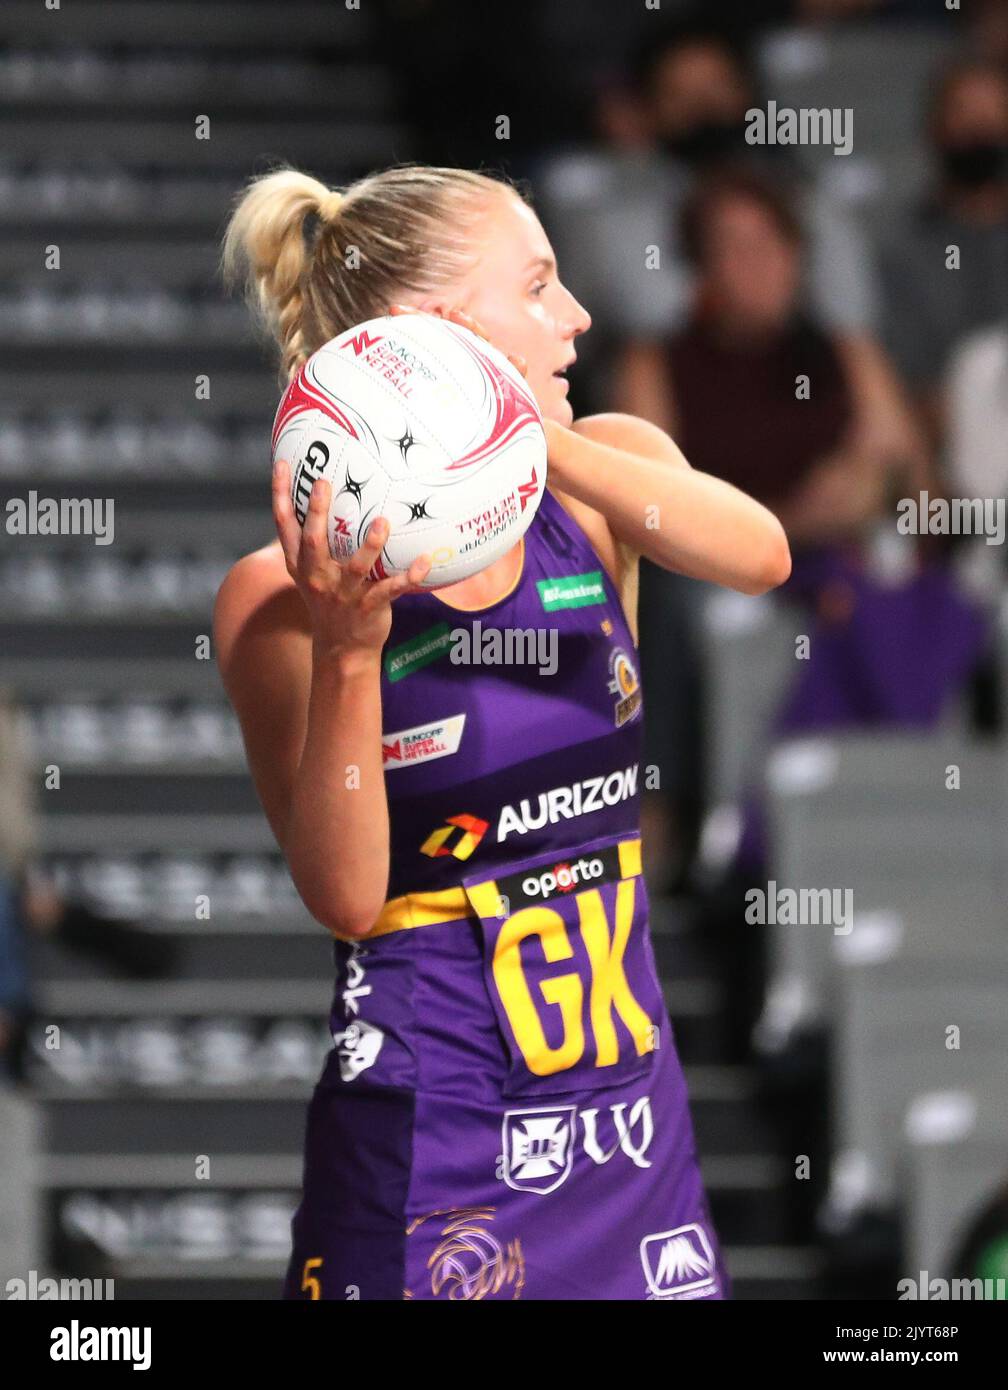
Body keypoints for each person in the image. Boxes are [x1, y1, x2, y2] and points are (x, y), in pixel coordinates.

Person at [215, 163, 790, 1300]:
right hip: (434, 1139)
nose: (577, 316)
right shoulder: (280, 593)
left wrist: (530, 438)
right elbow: (344, 896)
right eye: (538, 286)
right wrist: (348, 651)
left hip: (628, 1140)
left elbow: (761, 555)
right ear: (438, 332)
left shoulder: (593, 486)